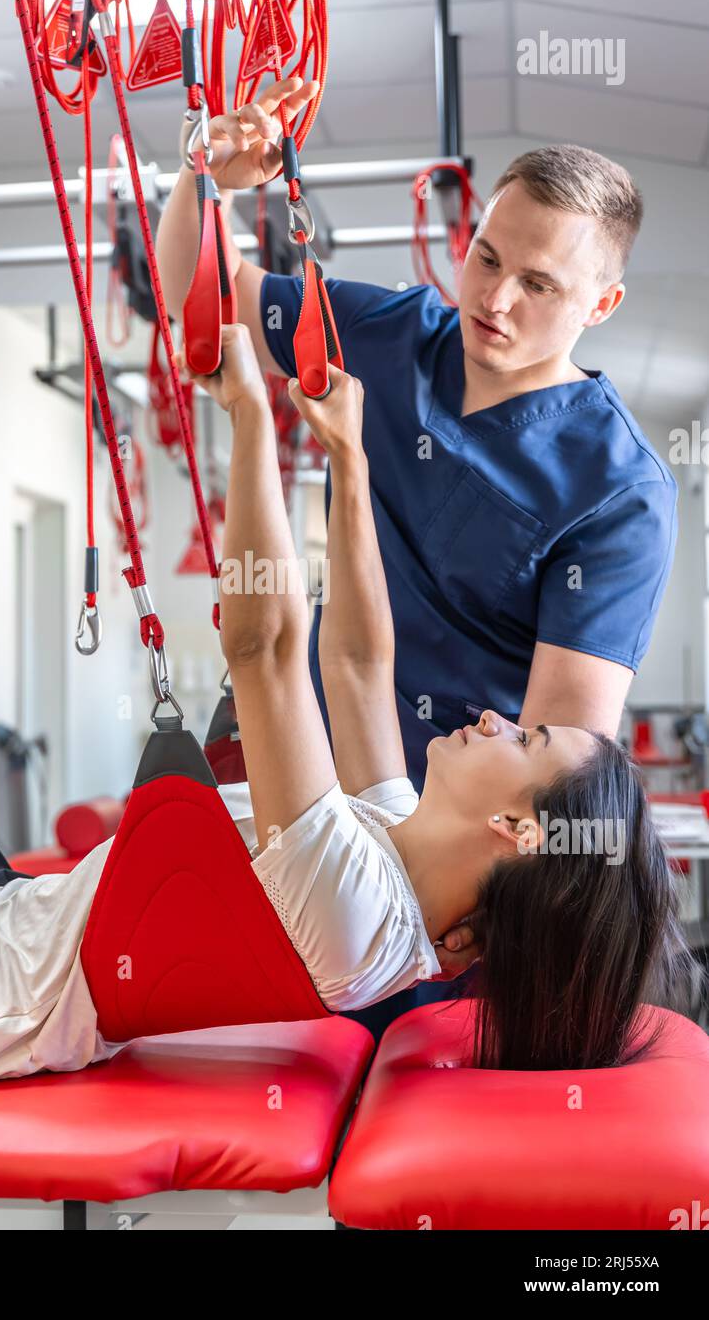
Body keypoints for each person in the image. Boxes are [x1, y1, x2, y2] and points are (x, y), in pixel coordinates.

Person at [0, 329, 697, 1087]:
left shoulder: (359, 918)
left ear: (518, 829)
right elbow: (359, 664)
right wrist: (348, 459)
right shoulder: (395, 855)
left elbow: (265, 651)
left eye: (528, 738)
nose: (498, 718)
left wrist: (254, 417)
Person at [155, 81, 679, 1036]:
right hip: (312, 763)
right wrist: (205, 176)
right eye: (486, 257)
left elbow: (555, 775)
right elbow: (205, 307)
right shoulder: (398, 337)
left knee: (391, 1076)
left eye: (540, 285)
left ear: (601, 303)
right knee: (245, 1033)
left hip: (442, 872)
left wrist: (447, 907)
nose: (494, 298)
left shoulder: (620, 490)